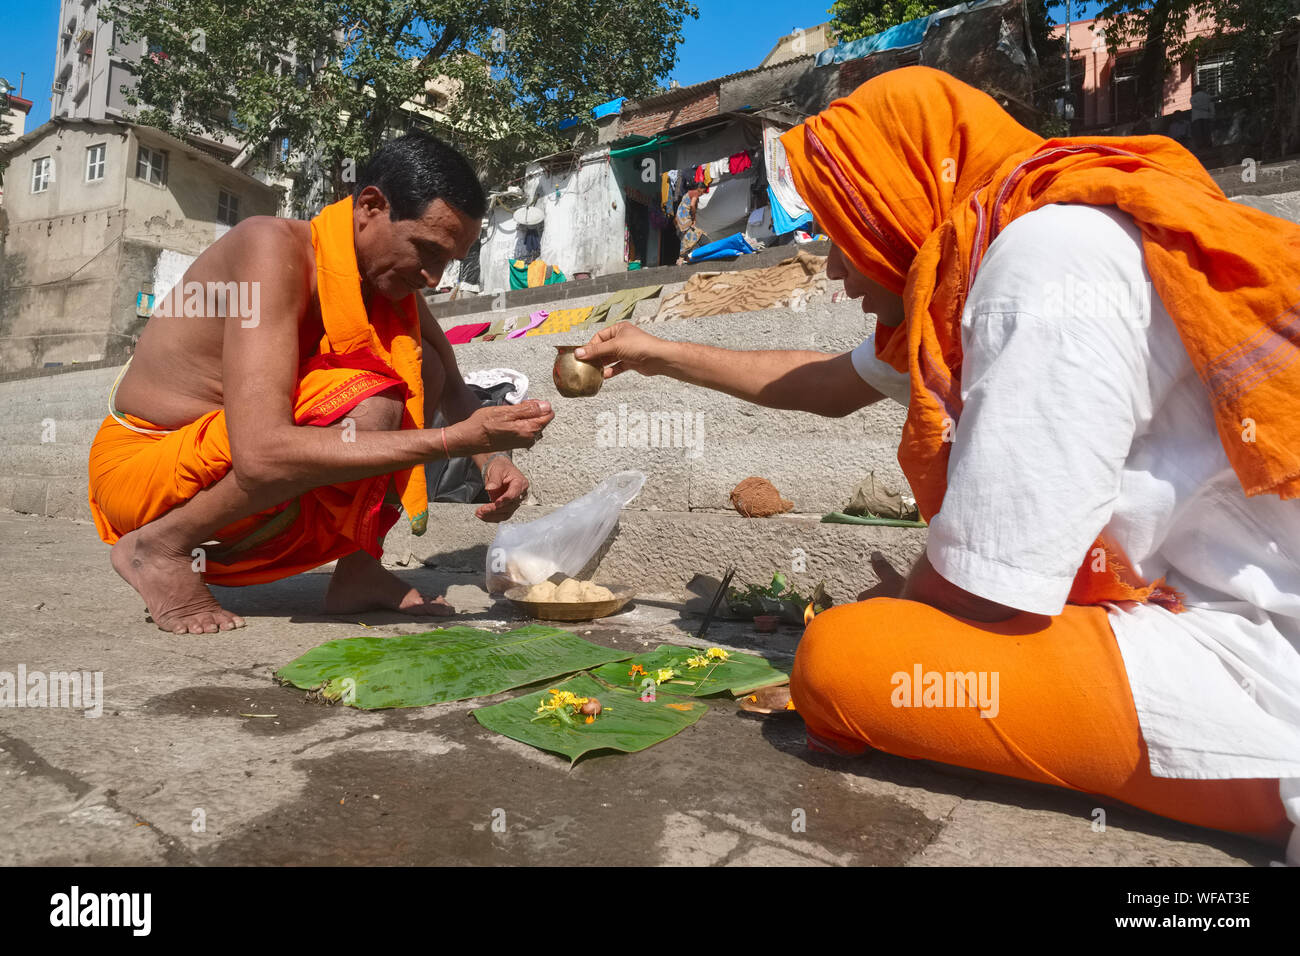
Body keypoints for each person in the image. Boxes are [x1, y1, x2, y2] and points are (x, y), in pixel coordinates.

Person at [577, 67, 1300, 860]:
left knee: (842, 664)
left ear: (894, 195)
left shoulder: (1044, 258)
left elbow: (990, 594)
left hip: (1250, 661)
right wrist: (656, 352)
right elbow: (823, 384)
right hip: (1206, 619)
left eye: (838, 229)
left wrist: (921, 608)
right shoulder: (982, 263)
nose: (831, 268)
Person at [88, 133, 554, 634]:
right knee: (373, 402)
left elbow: (453, 387)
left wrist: (493, 461)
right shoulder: (267, 247)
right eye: (426, 251)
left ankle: (359, 571)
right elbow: (261, 452)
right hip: (147, 470)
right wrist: (450, 442)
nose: (434, 277)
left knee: (423, 372)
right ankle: (159, 548)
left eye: (447, 262)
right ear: (370, 206)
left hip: (241, 476)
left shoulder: (387, 278)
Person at [674, 185, 710, 264]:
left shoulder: (688, 193)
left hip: (680, 219)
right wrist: (693, 216)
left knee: (688, 237)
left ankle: (682, 259)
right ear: (700, 188)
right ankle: (682, 258)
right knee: (691, 237)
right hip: (684, 220)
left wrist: (693, 220)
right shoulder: (695, 193)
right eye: (703, 192)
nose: (702, 194)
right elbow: (692, 205)